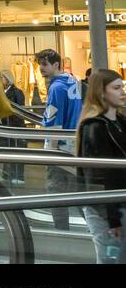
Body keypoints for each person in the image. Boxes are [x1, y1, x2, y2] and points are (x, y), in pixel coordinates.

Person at [75, 69, 126, 263]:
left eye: (122, 87)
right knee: (110, 258)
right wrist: (111, 218)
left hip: (119, 203)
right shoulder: (94, 126)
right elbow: (97, 176)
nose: (122, 92)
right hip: (106, 210)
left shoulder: (120, 121)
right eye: (116, 88)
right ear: (101, 92)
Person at [37, 47, 82, 229]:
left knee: (56, 192)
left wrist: (50, 152)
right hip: (73, 143)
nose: (41, 68)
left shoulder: (56, 87)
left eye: (45, 64)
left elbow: (54, 122)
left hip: (60, 147)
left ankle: (61, 230)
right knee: (78, 191)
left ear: (56, 64)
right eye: (40, 64)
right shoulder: (72, 81)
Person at [0, 71, 28, 185]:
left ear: (7, 79)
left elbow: (20, 110)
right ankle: (7, 174)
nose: (1, 80)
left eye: (2, 78)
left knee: (17, 151)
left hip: (15, 126)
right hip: (5, 126)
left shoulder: (17, 92)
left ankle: (19, 176)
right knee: (7, 150)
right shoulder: (2, 92)